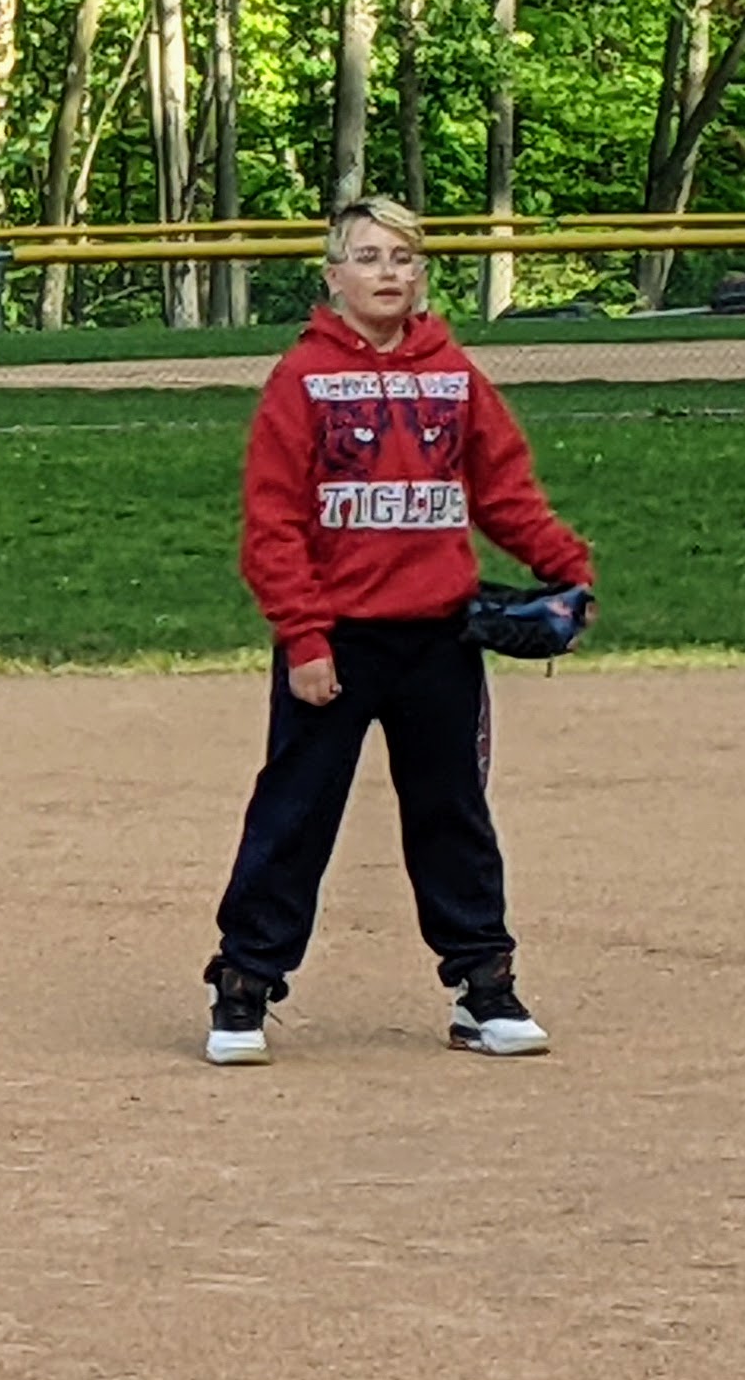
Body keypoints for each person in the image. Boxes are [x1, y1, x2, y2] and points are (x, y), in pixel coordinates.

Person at [203, 196, 595, 1067]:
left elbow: (505, 491)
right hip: (336, 640)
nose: (390, 274)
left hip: (439, 638)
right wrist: (302, 638)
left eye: (404, 259)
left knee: (452, 812)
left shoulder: (453, 373)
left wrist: (566, 570)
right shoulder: (303, 379)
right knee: (296, 814)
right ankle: (243, 987)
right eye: (370, 258)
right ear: (334, 276)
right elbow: (272, 524)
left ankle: (482, 987)